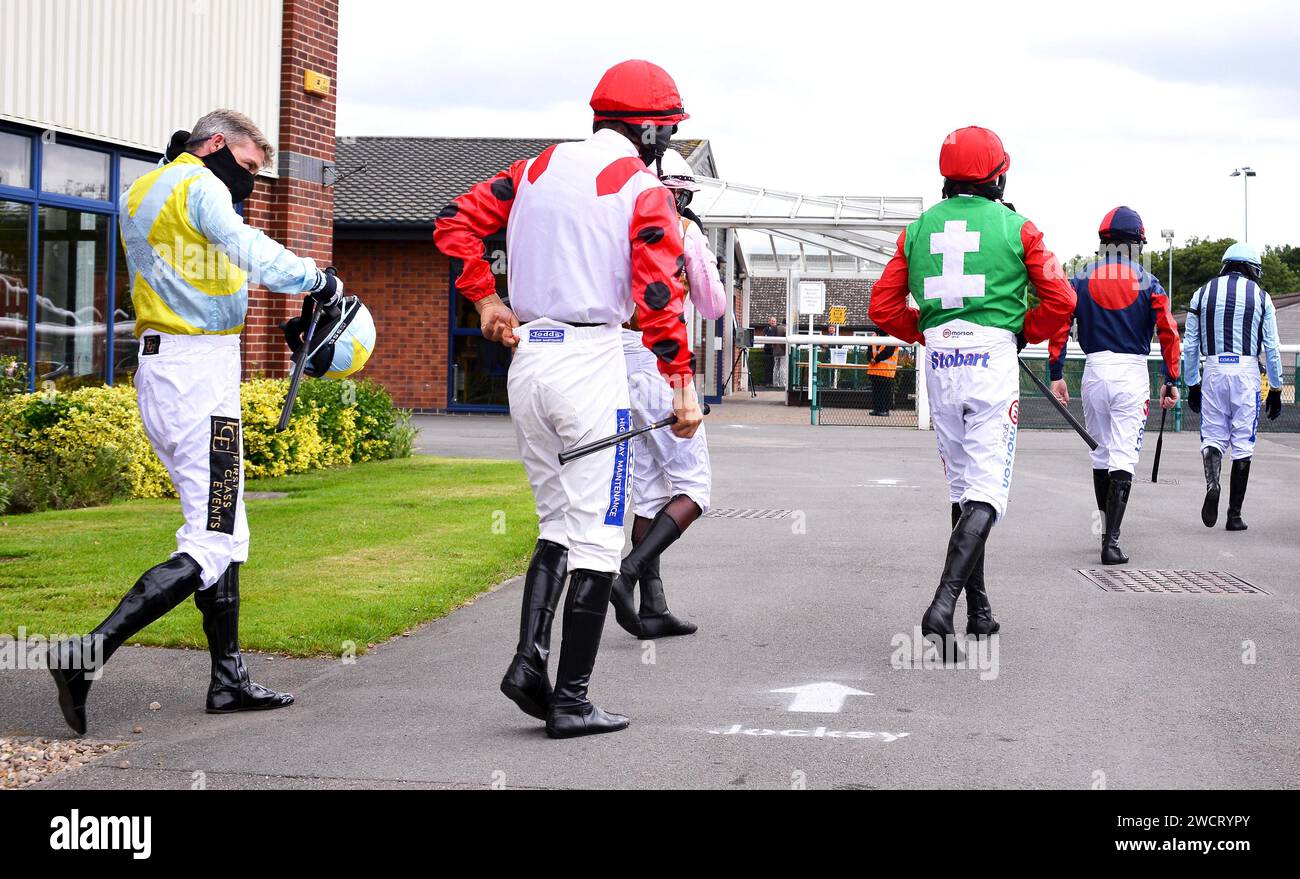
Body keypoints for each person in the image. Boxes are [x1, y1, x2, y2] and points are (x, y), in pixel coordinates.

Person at [48, 109, 345, 733]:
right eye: (249, 168)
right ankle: (85, 655)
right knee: (212, 538)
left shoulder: (145, 186)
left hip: (164, 368)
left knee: (222, 523)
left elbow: (210, 257)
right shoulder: (202, 186)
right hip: (198, 374)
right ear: (215, 145)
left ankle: (228, 678)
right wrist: (317, 279)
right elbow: (249, 250)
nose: (251, 184)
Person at [433, 60, 702, 738]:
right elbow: (658, 297)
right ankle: (572, 700)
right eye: (666, 130)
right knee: (600, 535)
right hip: (589, 363)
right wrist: (681, 384)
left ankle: (531, 662)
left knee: (556, 522)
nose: (665, 141)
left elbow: (452, 224)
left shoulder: (532, 171)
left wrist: (488, 299)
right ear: (650, 128)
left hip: (528, 360)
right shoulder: (644, 190)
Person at [869, 126, 1075, 657]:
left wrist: (929, 333)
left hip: (939, 360)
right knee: (987, 490)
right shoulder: (1019, 228)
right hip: (992, 361)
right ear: (998, 174)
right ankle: (942, 603)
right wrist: (1023, 330)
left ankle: (978, 609)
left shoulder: (915, 231)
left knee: (963, 489)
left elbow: (882, 307)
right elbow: (1061, 297)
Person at [611, 148, 726, 639]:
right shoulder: (683, 229)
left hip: (615, 359)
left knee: (651, 491)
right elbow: (715, 304)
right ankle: (629, 573)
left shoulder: (614, 222)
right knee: (693, 488)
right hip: (661, 360)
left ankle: (654, 608)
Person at [1048, 207, 1180, 564]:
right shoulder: (1149, 282)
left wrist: (1056, 373)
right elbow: (1168, 331)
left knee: (1101, 454)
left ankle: (1104, 534)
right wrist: (1171, 379)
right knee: (1122, 457)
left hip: (1094, 372)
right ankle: (1111, 541)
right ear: (1137, 242)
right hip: (1131, 375)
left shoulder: (1079, 278)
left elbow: (1060, 322)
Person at [1183, 242, 1284, 531]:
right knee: (1243, 443)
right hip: (1246, 371)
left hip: (1213, 369)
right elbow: (1272, 348)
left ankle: (1213, 483)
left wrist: (1192, 382)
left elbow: (1190, 345)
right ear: (1251, 267)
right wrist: (1275, 389)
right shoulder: (1262, 297)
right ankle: (1234, 515)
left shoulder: (1201, 293)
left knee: (1213, 436)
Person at [867, 328, 898, 416]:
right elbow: (869, 351)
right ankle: (877, 409)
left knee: (885, 392)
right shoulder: (874, 338)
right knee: (876, 391)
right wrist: (870, 359)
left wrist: (875, 360)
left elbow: (888, 352)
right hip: (875, 370)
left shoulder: (892, 338)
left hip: (886, 371)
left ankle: (884, 410)